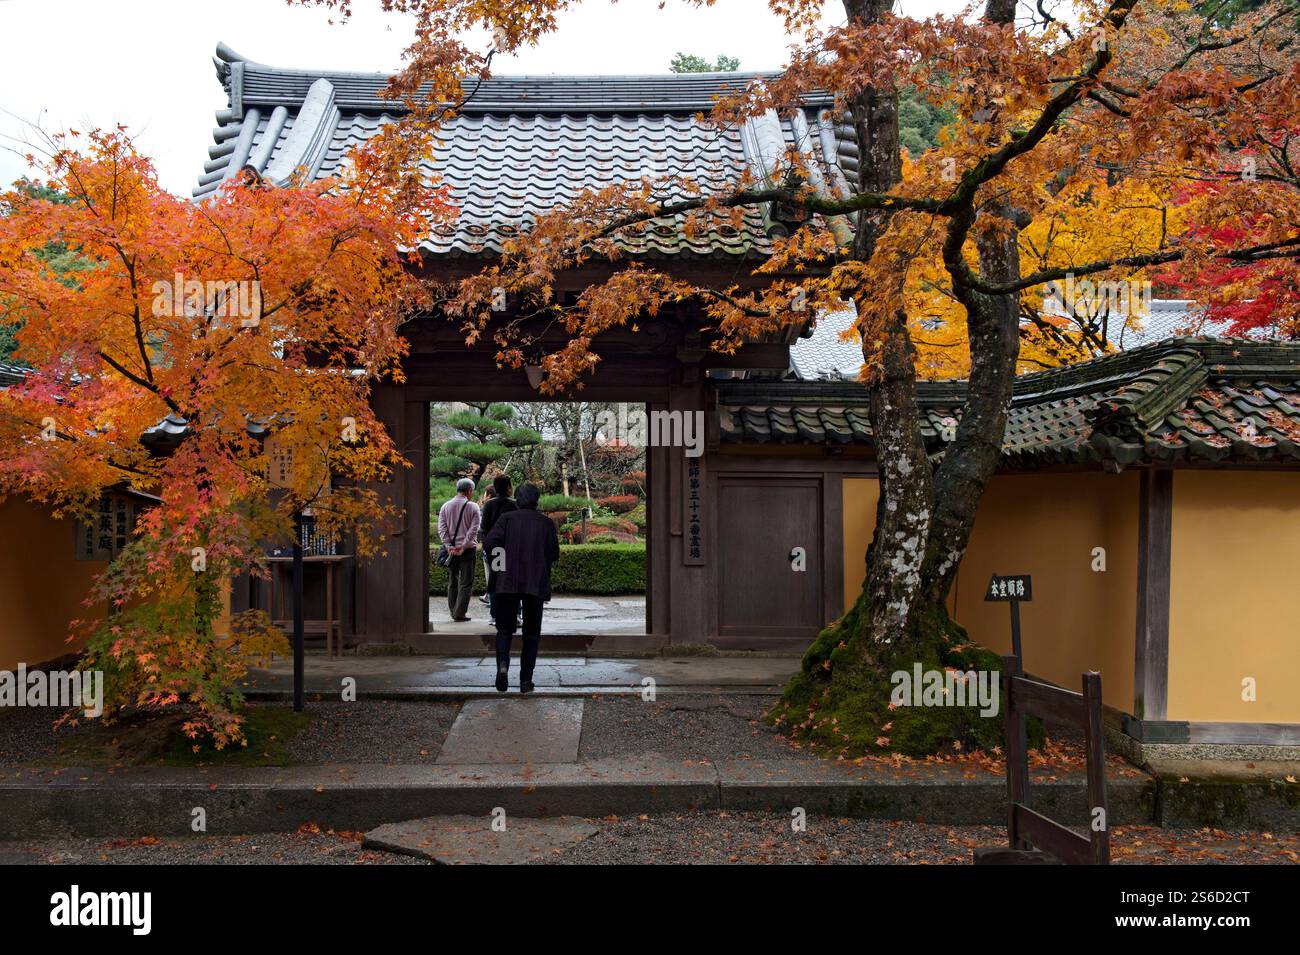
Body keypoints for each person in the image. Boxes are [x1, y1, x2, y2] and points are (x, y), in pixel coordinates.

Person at [481, 482, 559, 693]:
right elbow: (554, 554)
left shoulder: (506, 519)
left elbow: (489, 543)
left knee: (504, 630)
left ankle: (503, 667)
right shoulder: (546, 523)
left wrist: (501, 565)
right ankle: (526, 680)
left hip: (507, 583)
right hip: (535, 583)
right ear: (537, 499)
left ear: (517, 498)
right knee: (532, 633)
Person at [437, 478, 481, 622]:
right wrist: (463, 546)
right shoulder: (473, 507)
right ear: (469, 490)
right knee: (466, 582)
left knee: (452, 581)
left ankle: (453, 611)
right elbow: (474, 530)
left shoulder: (445, 506)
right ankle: (459, 613)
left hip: (451, 551)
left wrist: (449, 546)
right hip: (468, 550)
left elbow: (442, 529)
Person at [478, 475, 517, 619]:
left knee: (495, 581)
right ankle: (516, 614)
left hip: (495, 549)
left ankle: (495, 614)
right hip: (512, 549)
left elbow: (484, 529)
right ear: (508, 488)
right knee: (513, 581)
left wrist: (486, 548)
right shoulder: (515, 504)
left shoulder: (489, 505)